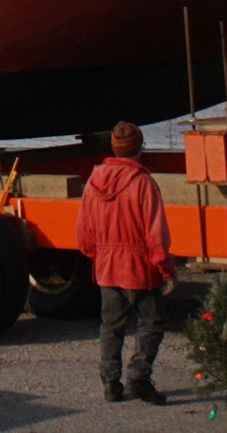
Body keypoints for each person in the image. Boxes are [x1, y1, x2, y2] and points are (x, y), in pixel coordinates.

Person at [75, 121, 175, 405]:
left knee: (111, 326)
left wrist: (99, 255)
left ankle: (110, 383)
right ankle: (138, 379)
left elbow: (83, 232)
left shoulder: (94, 181)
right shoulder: (143, 182)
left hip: (107, 266)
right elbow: (156, 234)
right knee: (152, 322)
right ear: (139, 149)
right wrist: (166, 267)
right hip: (138, 267)